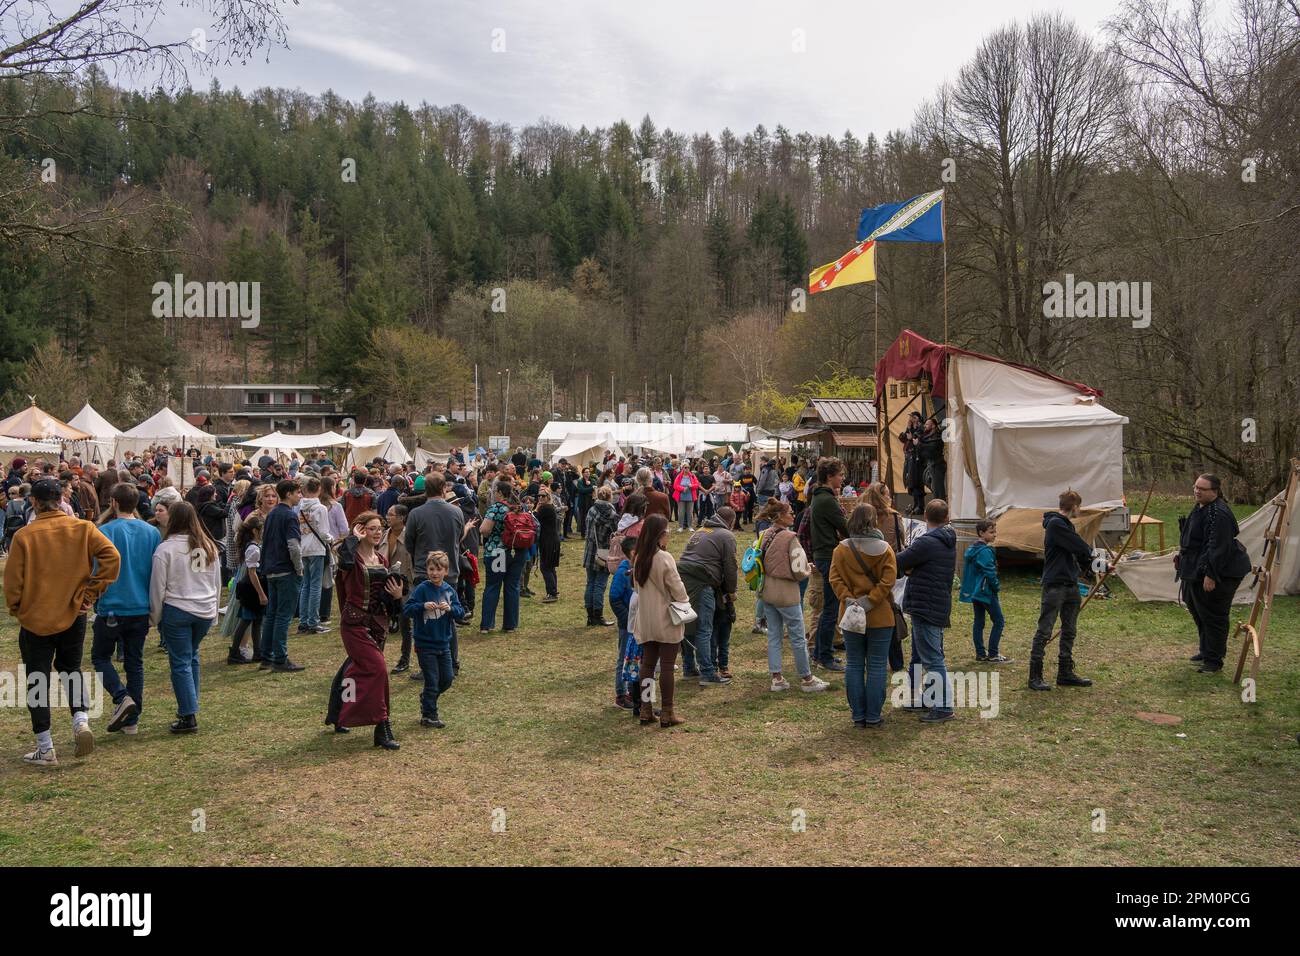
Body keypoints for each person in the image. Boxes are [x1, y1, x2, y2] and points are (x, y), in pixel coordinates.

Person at [4, 477, 120, 765]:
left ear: (33, 502)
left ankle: (45, 745)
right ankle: (80, 721)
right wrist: (90, 593)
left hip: (36, 617)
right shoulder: (82, 528)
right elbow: (111, 557)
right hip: (73, 612)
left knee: (37, 678)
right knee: (71, 669)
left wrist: (18, 608)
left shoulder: (24, 536)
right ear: (62, 499)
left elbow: (13, 583)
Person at [91, 483, 161, 736]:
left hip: (113, 605)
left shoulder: (104, 531)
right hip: (140, 605)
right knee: (135, 662)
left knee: (100, 657)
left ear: (114, 503)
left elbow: (95, 569)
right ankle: (132, 719)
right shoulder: (151, 532)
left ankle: (122, 698)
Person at [332, 510, 403, 748]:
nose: (377, 532)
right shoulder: (350, 556)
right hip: (354, 625)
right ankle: (382, 727)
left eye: (379, 528)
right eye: (371, 528)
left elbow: (384, 597)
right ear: (361, 530)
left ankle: (337, 714)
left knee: (351, 667)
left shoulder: (382, 560)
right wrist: (352, 538)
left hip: (376, 624)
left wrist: (396, 595)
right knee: (378, 669)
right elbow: (345, 563)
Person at [148, 501, 220, 734]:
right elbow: (214, 582)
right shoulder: (206, 546)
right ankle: (191, 702)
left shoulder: (166, 549)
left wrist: (155, 617)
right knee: (192, 656)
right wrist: (214, 611)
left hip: (178, 609)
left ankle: (188, 713)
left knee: (180, 661)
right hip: (203, 609)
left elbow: (157, 587)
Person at [829, 503, 898, 726]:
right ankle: (873, 715)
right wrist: (870, 601)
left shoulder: (840, 550)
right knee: (877, 665)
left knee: (855, 664)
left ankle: (858, 715)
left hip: (850, 615)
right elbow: (888, 581)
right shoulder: (885, 549)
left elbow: (835, 579)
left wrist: (850, 600)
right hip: (879, 615)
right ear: (873, 521)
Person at [1177, 474, 1251, 674]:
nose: (1197, 491)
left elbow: (1218, 547)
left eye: (1202, 489)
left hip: (1222, 571)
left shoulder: (1219, 514)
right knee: (1197, 608)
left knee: (1213, 614)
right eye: (1196, 487)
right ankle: (1206, 649)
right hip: (1197, 568)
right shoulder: (1201, 507)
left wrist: (1211, 574)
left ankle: (1214, 661)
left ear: (1215, 491)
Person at [755, 499, 828, 694]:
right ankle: (807, 678)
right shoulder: (790, 538)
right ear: (780, 516)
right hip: (786, 592)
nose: (793, 515)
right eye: (790, 512)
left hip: (767, 590)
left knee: (774, 635)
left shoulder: (764, 534)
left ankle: (776, 678)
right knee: (797, 636)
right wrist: (807, 569)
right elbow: (797, 569)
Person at [895, 498, 957, 721]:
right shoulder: (946, 539)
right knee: (924, 654)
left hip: (926, 604)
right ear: (946, 518)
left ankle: (943, 705)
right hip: (934, 602)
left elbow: (899, 560)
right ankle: (928, 698)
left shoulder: (927, 542)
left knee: (931, 657)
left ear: (926, 518)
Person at [1027, 490, 1095, 691]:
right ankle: (1035, 676)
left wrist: (1097, 566)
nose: (1079, 510)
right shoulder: (1056, 524)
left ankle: (1065, 673)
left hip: (1070, 584)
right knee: (1045, 630)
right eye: (1079, 507)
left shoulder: (1065, 526)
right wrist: (1093, 555)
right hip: (1055, 585)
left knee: (1069, 630)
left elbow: (1078, 554)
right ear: (1074, 506)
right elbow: (1079, 546)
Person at [632, 515, 690, 728]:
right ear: (660, 534)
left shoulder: (638, 557)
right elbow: (678, 589)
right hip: (665, 616)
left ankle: (646, 709)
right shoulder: (664, 558)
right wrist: (684, 601)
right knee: (666, 666)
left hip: (646, 617)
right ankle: (667, 711)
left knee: (647, 664)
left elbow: (637, 588)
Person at [403, 472, 466, 665]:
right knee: (448, 618)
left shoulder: (416, 513)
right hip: (449, 571)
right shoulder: (456, 512)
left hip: (424, 570)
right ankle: (452, 661)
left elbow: (409, 543)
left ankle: (429, 664)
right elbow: (460, 537)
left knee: (424, 620)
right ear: (443, 488)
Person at [676, 505, 739, 684]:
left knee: (688, 623)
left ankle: (689, 668)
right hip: (702, 580)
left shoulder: (701, 530)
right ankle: (708, 673)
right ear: (731, 521)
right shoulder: (726, 535)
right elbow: (730, 566)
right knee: (704, 628)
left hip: (683, 579)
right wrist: (731, 591)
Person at [403, 550, 464, 728]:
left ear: (446, 571)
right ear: (427, 570)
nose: (434, 573)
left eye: (438, 569)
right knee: (432, 680)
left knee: (447, 679)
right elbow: (407, 609)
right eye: (431, 569)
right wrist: (422, 606)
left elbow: (460, 612)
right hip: (425, 644)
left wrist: (451, 609)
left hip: (443, 643)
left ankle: (427, 698)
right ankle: (429, 715)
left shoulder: (449, 591)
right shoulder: (422, 589)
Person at [259, 479, 306, 672]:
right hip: (286, 569)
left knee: (272, 615)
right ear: (288, 494)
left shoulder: (272, 514)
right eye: (297, 493)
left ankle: (266, 656)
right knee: (283, 616)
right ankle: (280, 658)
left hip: (271, 568)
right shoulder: (289, 516)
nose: (300, 496)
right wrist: (299, 568)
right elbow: (293, 545)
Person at [810, 457, 849, 672]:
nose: (842, 479)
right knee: (830, 610)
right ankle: (824, 656)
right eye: (840, 475)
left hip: (823, 555)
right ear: (829, 476)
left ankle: (819, 653)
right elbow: (846, 528)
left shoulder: (820, 497)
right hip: (828, 556)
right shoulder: (826, 500)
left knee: (829, 609)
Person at [478, 485, 529, 633]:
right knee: (512, 586)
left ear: (500, 493)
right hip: (517, 552)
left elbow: (484, 529)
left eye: (494, 491)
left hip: (498, 552)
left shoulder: (496, 508)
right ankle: (510, 624)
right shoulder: (519, 508)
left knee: (493, 586)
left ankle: (487, 625)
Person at [960, 519, 1009, 663]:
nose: (995, 535)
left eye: (995, 532)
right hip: (985, 592)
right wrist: (996, 587)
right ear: (981, 533)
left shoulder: (973, 550)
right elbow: (990, 572)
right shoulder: (985, 551)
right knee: (999, 621)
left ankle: (981, 654)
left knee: (979, 622)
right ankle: (993, 654)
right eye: (991, 532)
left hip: (976, 592)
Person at [228, 513, 267, 664]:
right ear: (255, 531)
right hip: (251, 590)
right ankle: (234, 651)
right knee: (246, 621)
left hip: (252, 589)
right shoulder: (253, 549)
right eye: (262, 529)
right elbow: (252, 573)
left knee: (257, 621)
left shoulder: (255, 546)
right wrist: (261, 594)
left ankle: (258, 651)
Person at [297, 476, 334, 636]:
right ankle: (313, 621)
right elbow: (324, 531)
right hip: (317, 547)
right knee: (315, 586)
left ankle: (304, 620)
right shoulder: (320, 508)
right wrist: (331, 540)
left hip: (303, 546)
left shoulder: (300, 506)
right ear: (319, 489)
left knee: (306, 585)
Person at [385, 504, 417, 674]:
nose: (387, 517)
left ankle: (405, 658)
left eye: (391, 514)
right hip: (387, 584)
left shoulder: (410, 537)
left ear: (401, 518)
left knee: (406, 623)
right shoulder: (383, 535)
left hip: (406, 586)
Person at [608, 532, 638, 708]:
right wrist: (627, 618)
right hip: (627, 624)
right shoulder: (623, 572)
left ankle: (632, 692)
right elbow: (614, 597)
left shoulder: (636, 569)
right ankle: (620, 694)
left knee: (634, 658)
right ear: (633, 552)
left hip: (637, 622)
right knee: (624, 658)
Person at [583, 485, 618, 627]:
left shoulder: (591, 510)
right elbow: (616, 533)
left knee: (590, 582)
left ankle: (590, 615)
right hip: (604, 552)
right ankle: (598, 615)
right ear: (609, 496)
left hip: (590, 550)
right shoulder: (612, 513)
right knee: (600, 584)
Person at [535, 487, 561, 603]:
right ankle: (553, 590)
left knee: (545, 567)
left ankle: (552, 593)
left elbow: (533, 518)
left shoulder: (545, 508)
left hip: (548, 541)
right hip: (551, 539)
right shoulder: (549, 507)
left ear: (548, 497)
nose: (540, 498)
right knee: (550, 567)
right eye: (539, 496)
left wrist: (536, 508)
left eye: (543, 496)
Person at [900, 412, 925, 515]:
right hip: (910, 456)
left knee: (917, 482)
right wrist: (908, 429)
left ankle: (920, 505)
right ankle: (915, 505)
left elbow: (915, 438)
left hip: (917, 458)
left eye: (914, 417)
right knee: (911, 482)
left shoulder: (921, 428)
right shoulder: (910, 427)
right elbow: (905, 438)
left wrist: (910, 434)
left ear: (918, 419)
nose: (912, 419)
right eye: (911, 417)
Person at [917, 416, 946, 503]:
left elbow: (931, 447)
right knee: (933, 486)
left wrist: (919, 444)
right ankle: (938, 505)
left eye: (927, 424)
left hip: (937, 464)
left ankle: (940, 507)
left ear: (933, 426)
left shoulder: (937, 435)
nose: (925, 426)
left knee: (938, 489)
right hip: (931, 464)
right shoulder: (928, 436)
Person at [672, 464, 699, 532]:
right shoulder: (679, 476)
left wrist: (691, 485)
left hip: (690, 497)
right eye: (685, 467)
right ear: (682, 468)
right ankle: (681, 526)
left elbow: (697, 485)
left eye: (688, 467)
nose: (687, 469)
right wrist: (682, 489)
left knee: (690, 512)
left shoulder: (692, 476)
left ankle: (690, 526)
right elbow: (675, 486)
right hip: (681, 497)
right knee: (681, 512)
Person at [574, 467, 596, 533]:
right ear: (583, 474)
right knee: (583, 518)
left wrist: (590, 485)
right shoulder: (580, 481)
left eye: (588, 472)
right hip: (583, 502)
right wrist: (591, 488)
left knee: (591, 517)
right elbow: (581, 490)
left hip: (590, 501)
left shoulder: (592, 480)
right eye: (586, 472)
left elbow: (595, 488)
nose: (588, 473)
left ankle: (590, 531)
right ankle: (583, 533)